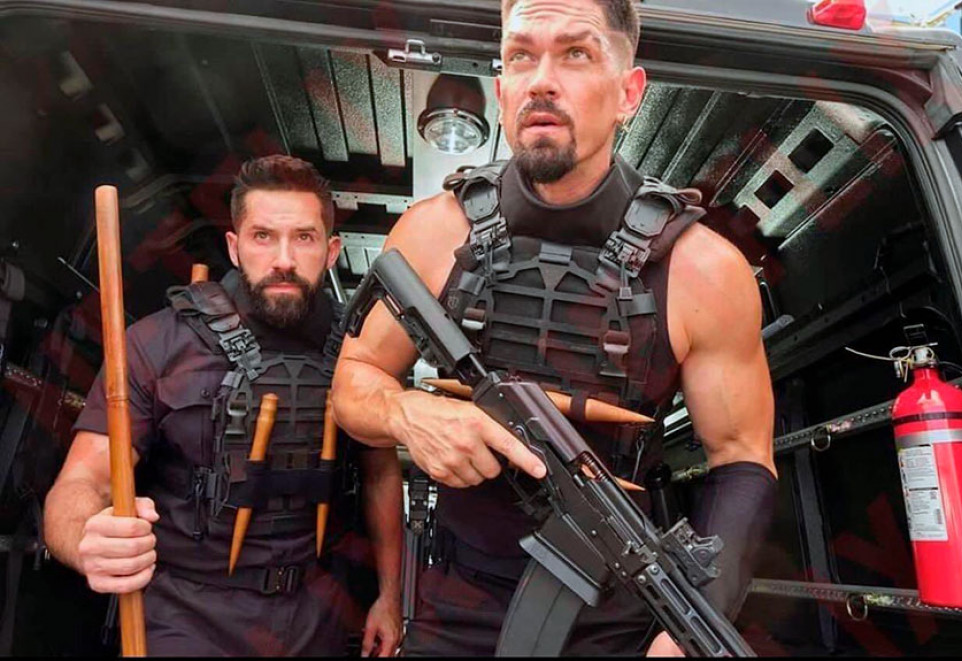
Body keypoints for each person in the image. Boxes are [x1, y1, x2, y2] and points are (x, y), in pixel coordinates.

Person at [333, 0, 777, 655]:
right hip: (451, 609)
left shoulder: (703, 269)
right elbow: (353, 379)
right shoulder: (432, 232)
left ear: (629, 93)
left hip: (617, 619)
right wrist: (406, 414)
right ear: (500, 92)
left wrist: (690, 629)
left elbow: (741, 459)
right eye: (521, 56)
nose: (542, 79)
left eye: (576, 53)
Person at [44, 155, 403, 656]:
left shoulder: (362, 352)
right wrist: (89, 538)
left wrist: (390, 596)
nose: (283, 259)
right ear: (234, 247)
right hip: (187, 617)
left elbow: (381, 474)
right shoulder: (156, 343)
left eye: (304, 237)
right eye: (263, 236)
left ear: (331, 250)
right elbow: (83, 481)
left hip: (316, 616)